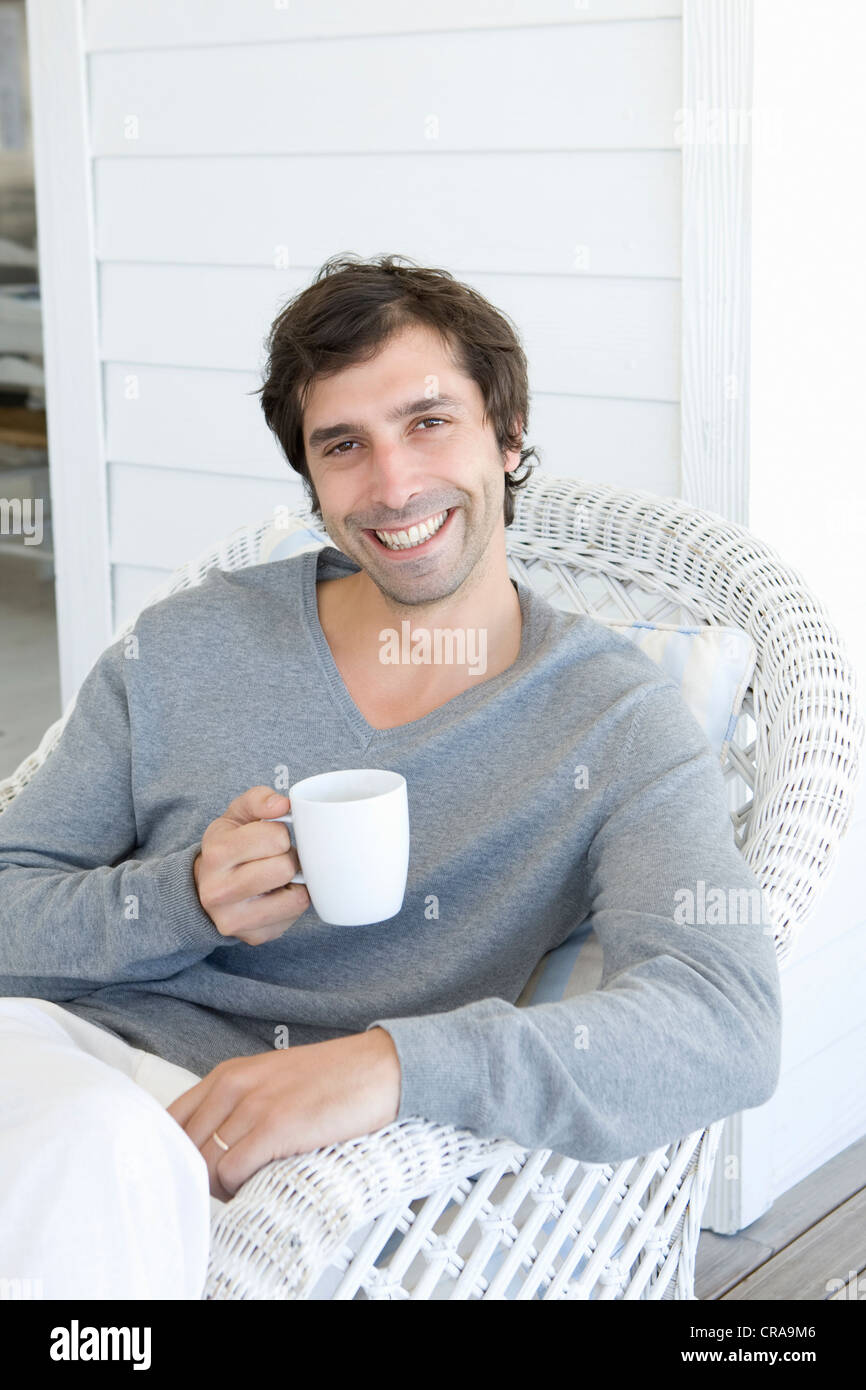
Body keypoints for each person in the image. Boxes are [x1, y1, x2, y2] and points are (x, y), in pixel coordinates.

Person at [0, 254, 782, 1299]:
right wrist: (180, 899)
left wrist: (385, 1065)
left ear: (506, 438)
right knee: (95, 1140)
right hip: (62, 1066)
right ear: (314, 484)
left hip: (303, 1162)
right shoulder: (189, 642)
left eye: (428, 423)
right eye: (343, 446)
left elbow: (722, 1023)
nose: (393, 485)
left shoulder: (613, 718)